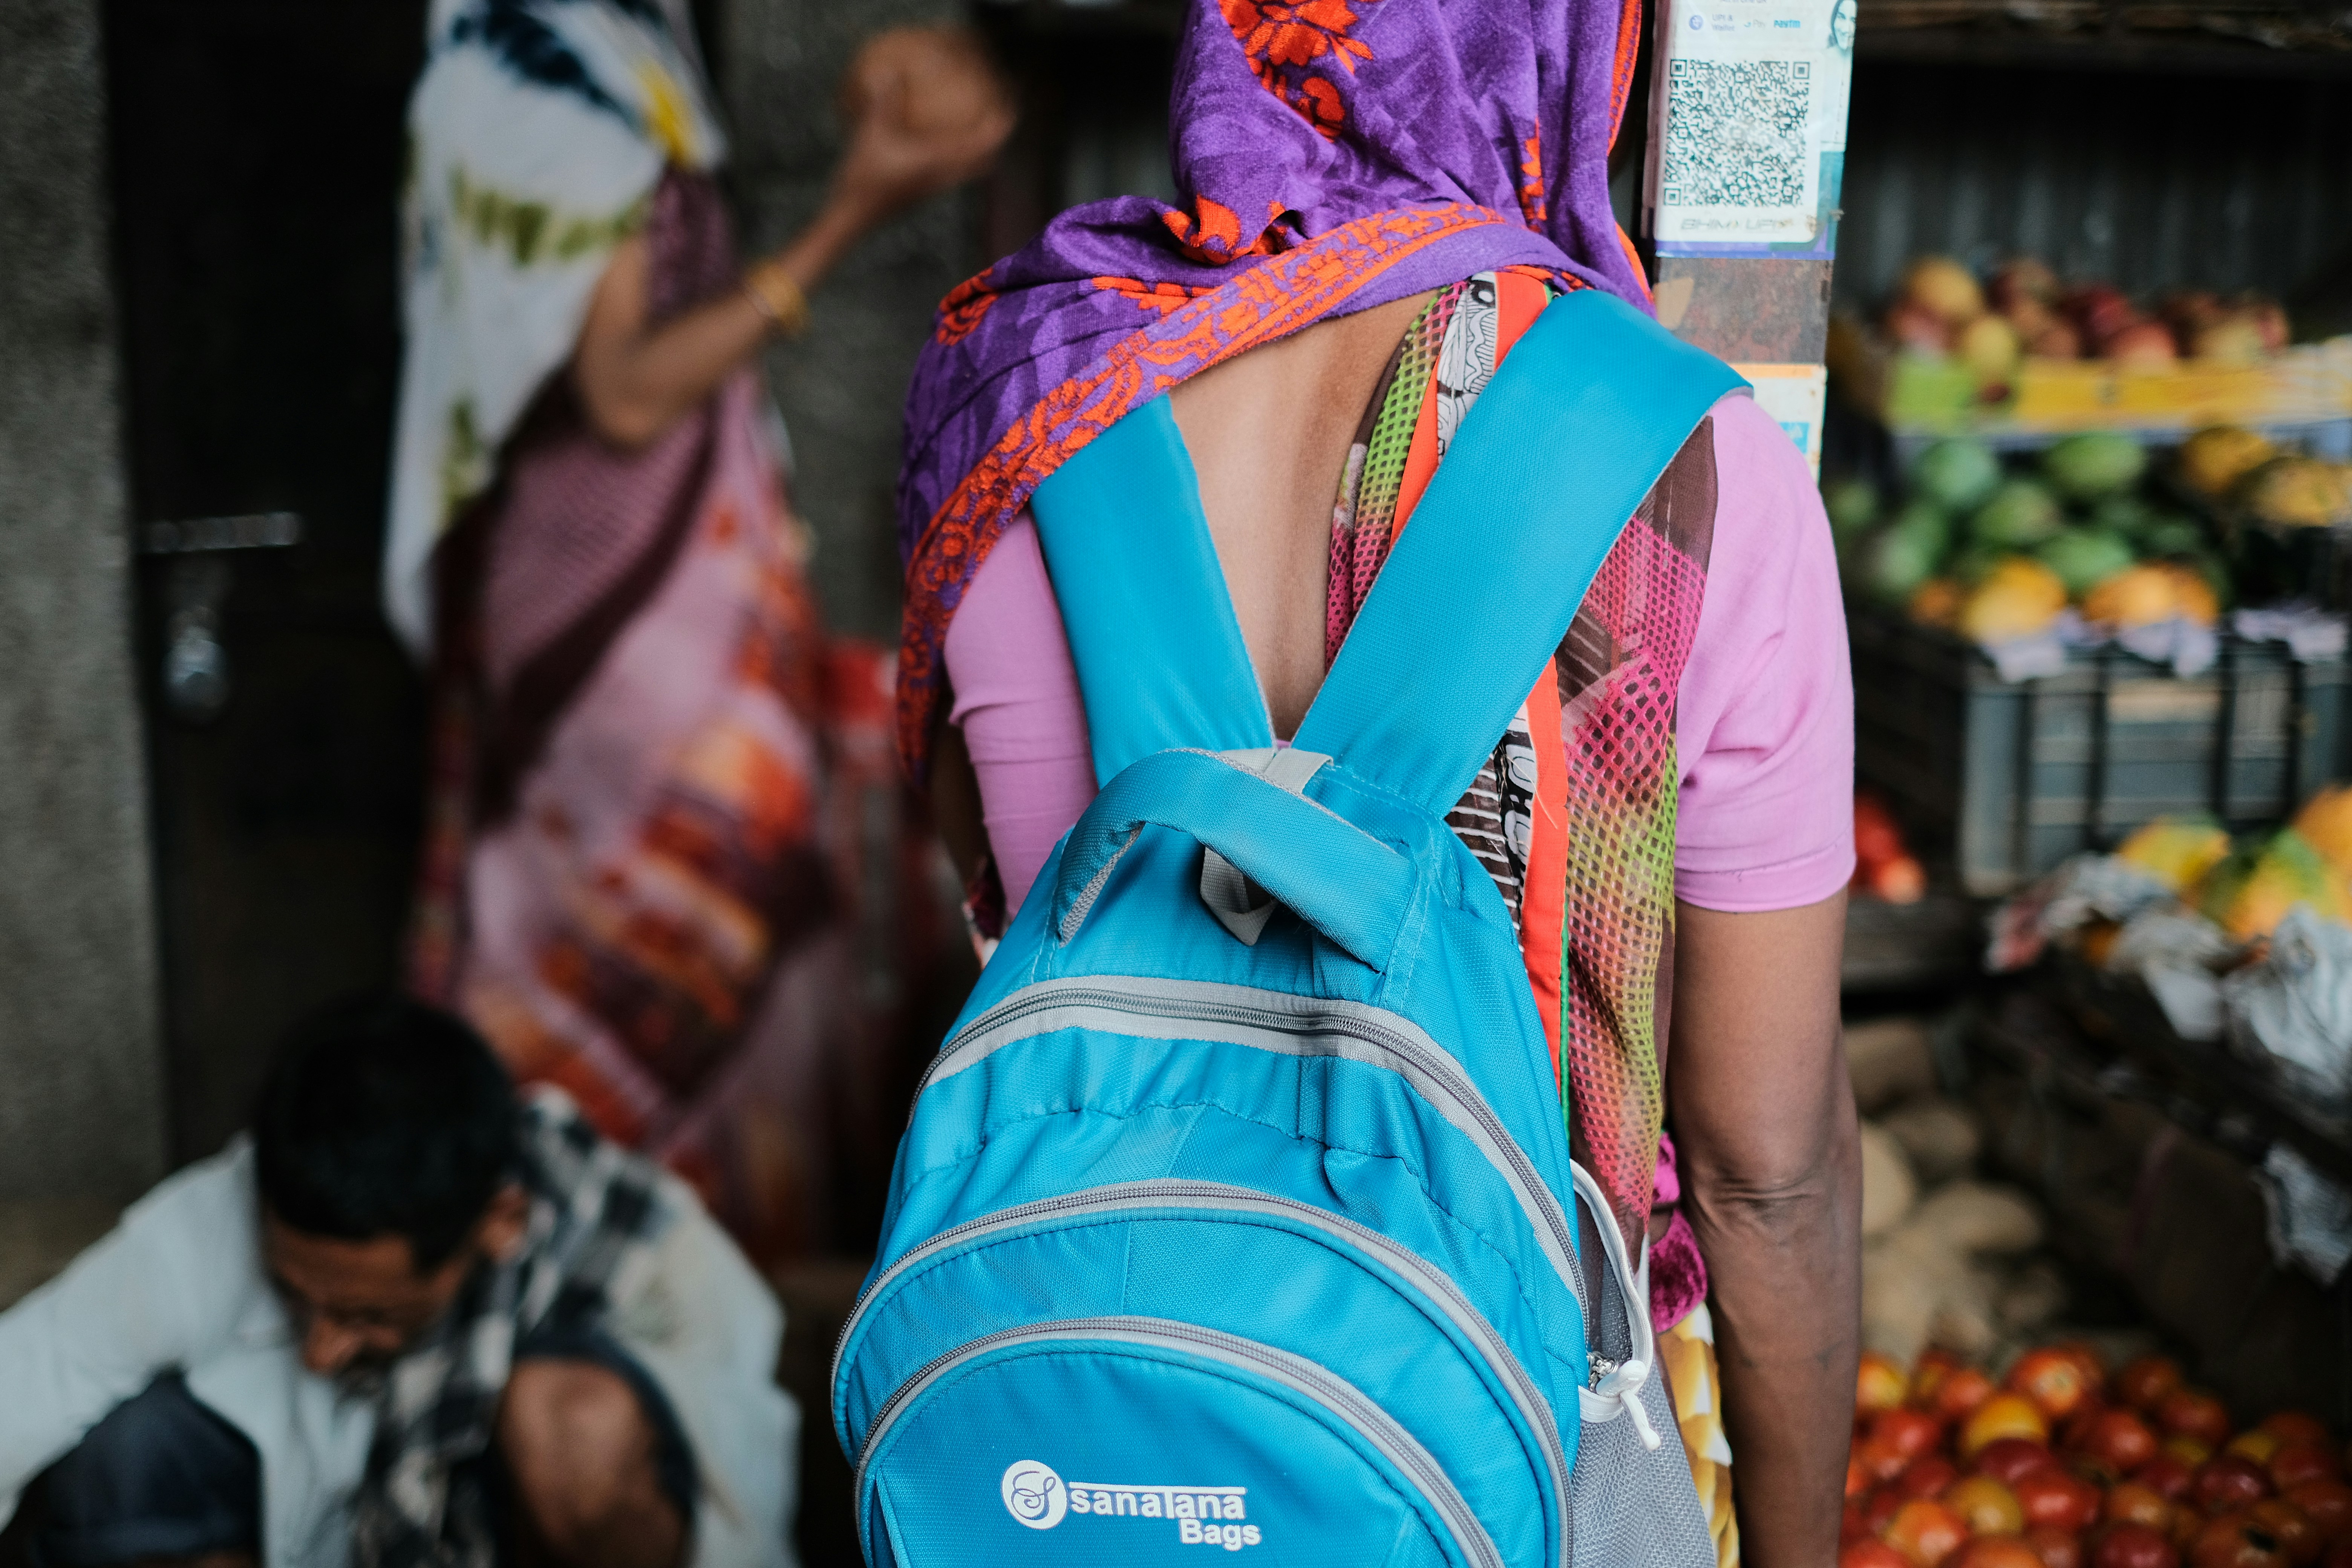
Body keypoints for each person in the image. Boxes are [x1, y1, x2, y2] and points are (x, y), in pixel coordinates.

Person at [894, 5, 1859, 1565]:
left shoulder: (1024, 420)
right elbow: (1766, 1169)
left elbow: (1009, 928)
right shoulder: (1693, 471)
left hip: (1073, 1447)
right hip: (1488, 1461)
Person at [383, 0, 1011, 1250]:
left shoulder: (618, 47)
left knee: (711, 921)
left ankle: (700, 1280)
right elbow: (624, 389)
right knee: (689, 904)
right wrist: (849, 216)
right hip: (608, 619)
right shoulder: (528, 81)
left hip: (643, 587)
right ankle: (608, 1278)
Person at [0, 994, 791, 1568]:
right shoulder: (221, 1215)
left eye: (365, 1313)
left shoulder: (655, 1250)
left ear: (500, 1224)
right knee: (131, 1450)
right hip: (330, 1539)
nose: (320, 1349)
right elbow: (24, 1383)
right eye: (297, 1297)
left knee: (575, 1428)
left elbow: (746, 1527)